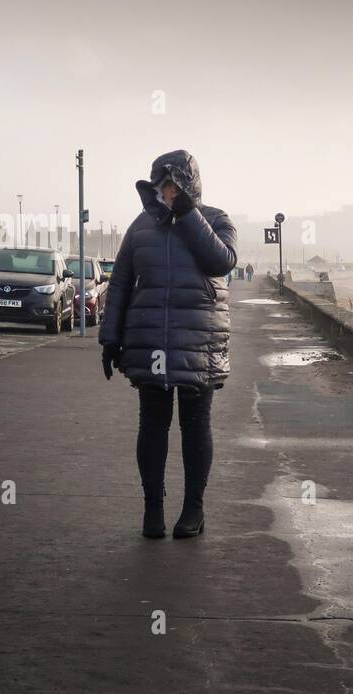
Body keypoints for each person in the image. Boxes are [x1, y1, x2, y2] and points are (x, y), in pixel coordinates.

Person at [100, 150, 238, 539]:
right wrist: (110, 338)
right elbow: (121, 282)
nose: (168, 193)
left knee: (195, 427)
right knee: (153, 426)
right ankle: (153, 510)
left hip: (200, 343)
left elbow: (222, 261)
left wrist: (188, 213)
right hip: (150, 341)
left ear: (190, 185)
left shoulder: (215, 219)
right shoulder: (140, 226)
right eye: (162, 186)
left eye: (175, 185)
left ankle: (193, 509)